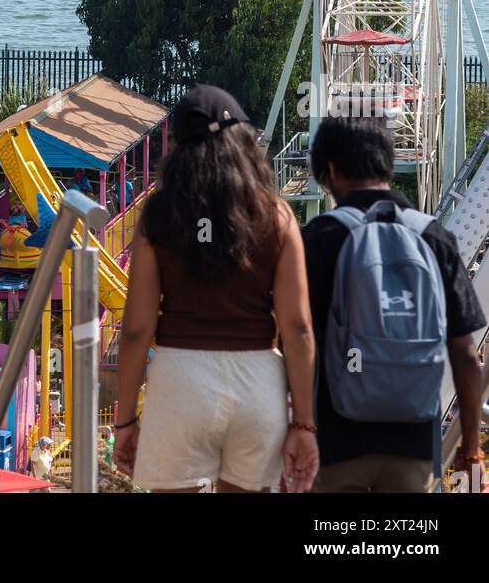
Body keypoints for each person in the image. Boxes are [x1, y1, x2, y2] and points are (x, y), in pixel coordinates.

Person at [115, 84, 319, 494]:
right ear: (244, 140)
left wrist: (124, 420)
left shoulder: (160, 214)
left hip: (180, 381)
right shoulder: (275, 215)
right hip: (257, 382)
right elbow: (296, 327)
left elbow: (137, 328)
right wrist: (304, 424)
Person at [303, 116, 486, 494]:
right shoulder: (435, 238)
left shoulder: (319, 238)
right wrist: (471, 447)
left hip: (336, 445)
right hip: (415, 444)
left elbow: (296, 336)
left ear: (331, 170)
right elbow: (466, 355)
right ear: (388, 163)